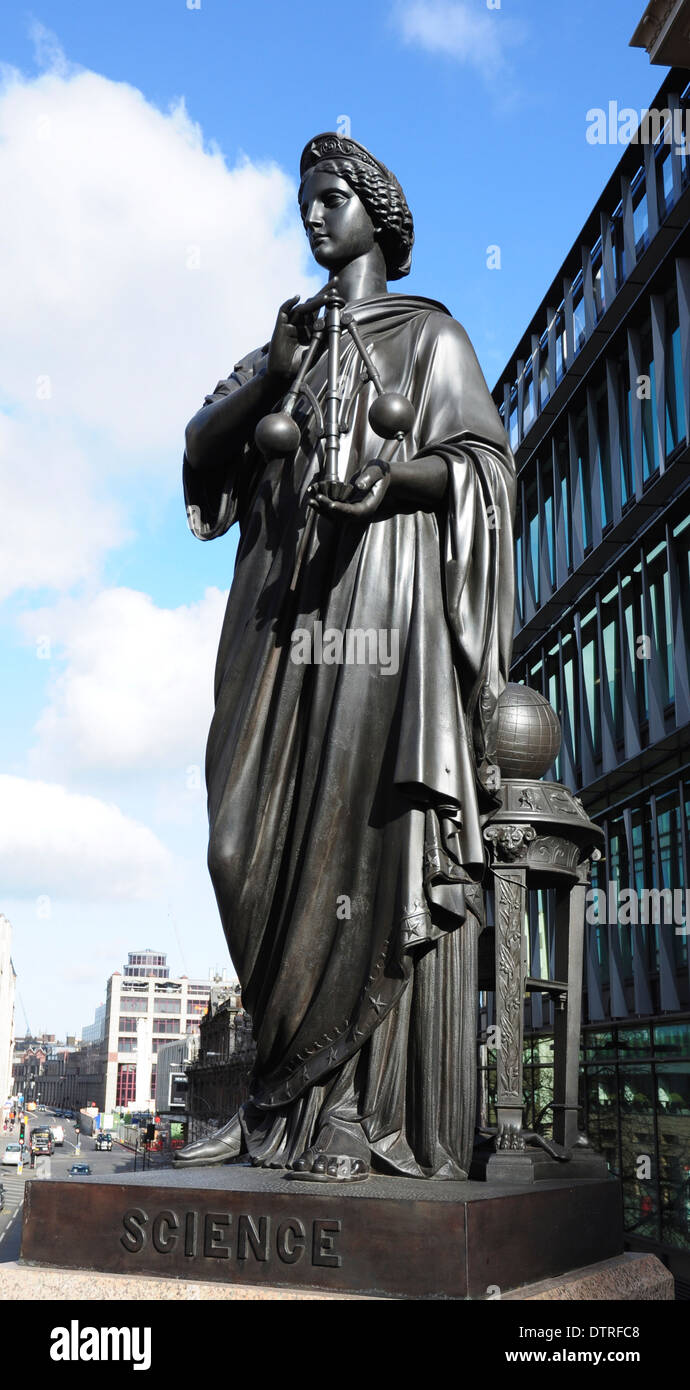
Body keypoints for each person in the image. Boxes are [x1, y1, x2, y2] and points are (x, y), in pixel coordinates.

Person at [175, 133, 515, 1181]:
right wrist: (272, 375)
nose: (313, 215)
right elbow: (200, 446)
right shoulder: (287, 336)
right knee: (240, 847)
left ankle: (343, 1111)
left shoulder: (432, 335)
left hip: (373, 608)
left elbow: (484, 465)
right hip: (274, 619)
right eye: (304, 201)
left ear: (377, 211)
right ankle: (275, 1087)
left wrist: (392, 485)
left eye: (330, 198)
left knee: (360, 842)